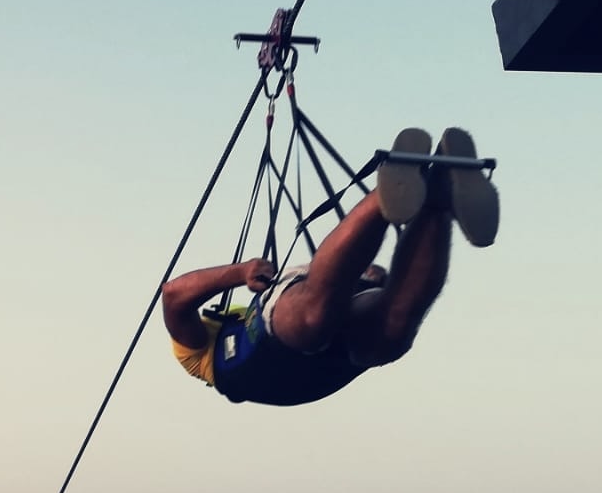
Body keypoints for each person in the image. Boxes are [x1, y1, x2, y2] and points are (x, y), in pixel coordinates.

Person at [162, 127, 498, 406]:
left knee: (313, 320)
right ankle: (440, 190)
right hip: (335, 357)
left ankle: (389, 191)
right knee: (392, 331)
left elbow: (174, 294)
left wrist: (241, 272)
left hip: (288, 319)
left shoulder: (197, 354)